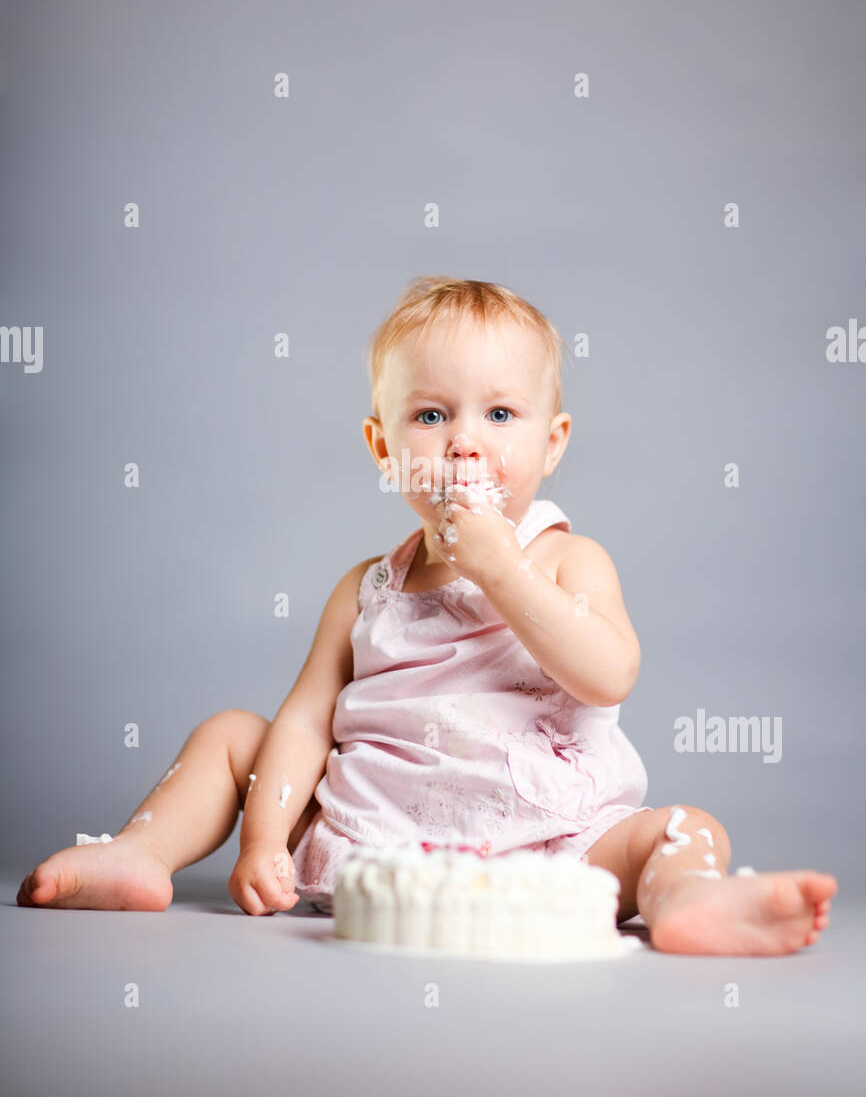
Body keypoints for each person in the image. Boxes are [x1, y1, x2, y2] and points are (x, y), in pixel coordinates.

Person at [18, 277, 837, 954]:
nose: (464, 444)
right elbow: (305, 723)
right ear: (383, 447)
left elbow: (607, 671)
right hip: (372, 839)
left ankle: (688, 902)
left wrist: (502, 568)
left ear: (553, 444)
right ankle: (137, 853)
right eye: (432, 416)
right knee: (236, 734)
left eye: (501, 415)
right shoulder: (367, 588)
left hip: (546, 843)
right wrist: (267, 839)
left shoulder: (566, 559)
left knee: (684, 827)